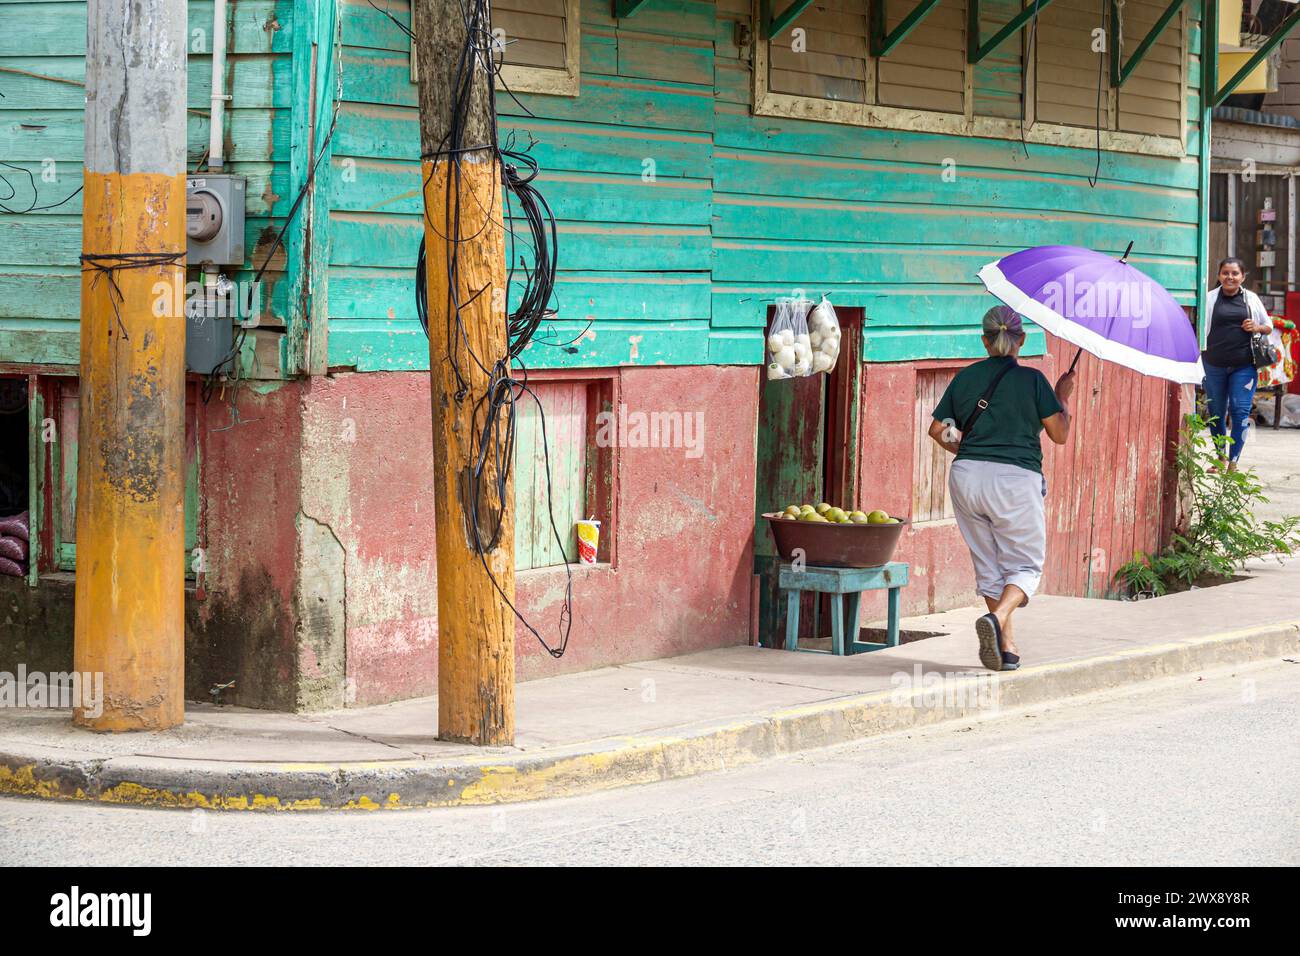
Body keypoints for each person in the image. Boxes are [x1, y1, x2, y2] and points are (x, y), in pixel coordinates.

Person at [927, 306, 1075, 672]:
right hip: (1014, 480)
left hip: (966, 479)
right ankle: (998, 619)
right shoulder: (1034, 381)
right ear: (1021, 340)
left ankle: (1007, 647)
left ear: (985, 340)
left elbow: (938, 430)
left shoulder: (965, 378)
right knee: (1025, 567)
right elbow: (1059, 435)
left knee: (989, 565)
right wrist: (1064, 397)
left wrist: (962, 448)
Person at [1203, 257, 1272, 469]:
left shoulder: (1250, 299)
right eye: (1225, 273)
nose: (1230, 277)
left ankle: (1234, 461)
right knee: (1216, 412)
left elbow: (1268, 326)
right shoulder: (1210, 298)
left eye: (1235, 273)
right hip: (1213, 364)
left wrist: (1257, 327)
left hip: (1244, 366)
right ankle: (1219, 457)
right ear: (1219, 275)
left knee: (1240, 412)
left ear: (1242, 277)